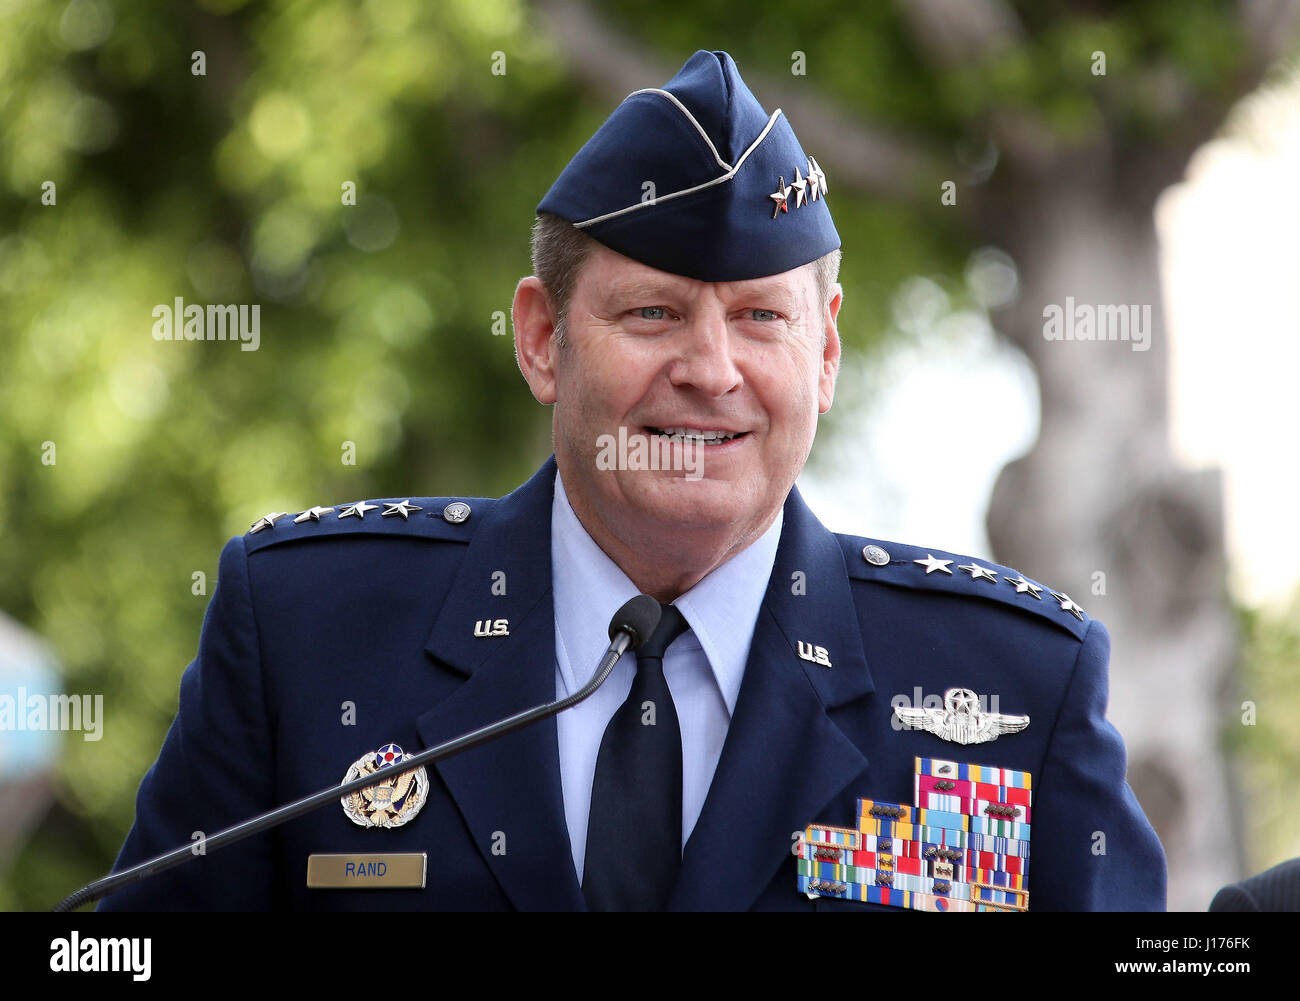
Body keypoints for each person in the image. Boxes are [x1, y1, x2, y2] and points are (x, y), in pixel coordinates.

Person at [99, 50, 1165, 911]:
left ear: (826, 354)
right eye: (652, 312)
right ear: (542, 338)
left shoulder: (1014, 687)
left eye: (760, 317)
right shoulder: (306, 632)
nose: (710, 371)